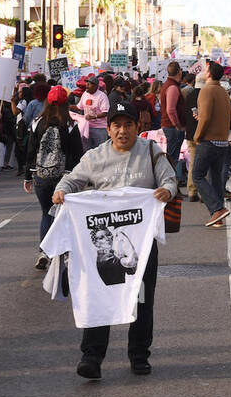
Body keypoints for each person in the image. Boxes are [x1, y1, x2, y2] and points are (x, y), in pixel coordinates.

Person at [50, 102, 177, 379]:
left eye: (128, 125)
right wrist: (61, 190)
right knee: (101, 296)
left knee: (142, 299)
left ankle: (139, 355)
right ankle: (92, 356)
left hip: (140, 246)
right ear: (108, 129)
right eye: (117, 125)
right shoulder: (96, 157)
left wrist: (166, 191)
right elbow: (72, 180)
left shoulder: (151, 152)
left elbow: (170, 179)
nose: (122, 131)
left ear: (137, 127)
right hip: (103, 247)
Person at [23, 86, 85, 269]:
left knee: (45, 213)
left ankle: (44, 251)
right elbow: (77, 153)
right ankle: (63, 252)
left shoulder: (37, 122)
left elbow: (31, 151)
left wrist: (28, 176)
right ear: (66, 103)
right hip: (63, 177)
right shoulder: (71, 124)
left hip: (41, 175)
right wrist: (79, 177)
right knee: (63, 215)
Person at [190, 61, 231, 227]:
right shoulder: (222, 91)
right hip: (222, 140)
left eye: (205, 69)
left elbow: (206, 117)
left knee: (197, 175)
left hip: (209, 140)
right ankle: (218, 216)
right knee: (215, 178)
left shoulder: (206, 90)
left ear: (208, 73)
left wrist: (197, 135)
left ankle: (217, 209)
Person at [159, 61, 187, 177]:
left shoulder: (169, 85)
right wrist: (178, 125)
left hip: (171, 126)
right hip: (172, 127)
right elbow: (171, 109)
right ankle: (169, 183)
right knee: (172, 159)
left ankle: (171, 184)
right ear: (179, 72)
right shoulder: (172, 87)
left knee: (172, 157)